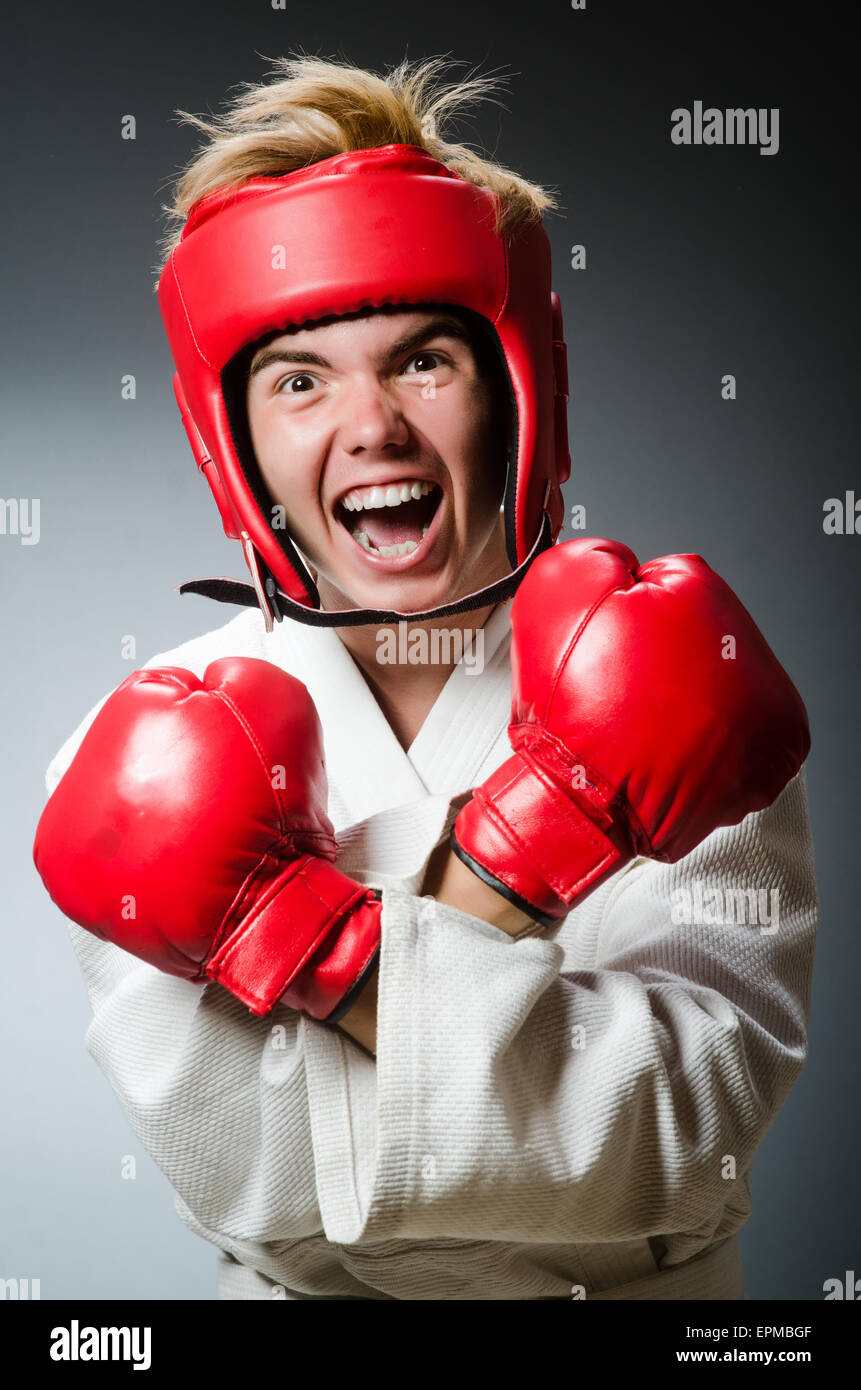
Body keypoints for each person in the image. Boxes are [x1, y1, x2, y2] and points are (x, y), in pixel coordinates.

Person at [33, 53, 818, 1301]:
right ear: (235, 443)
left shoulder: (673, 677)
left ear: (516, 390)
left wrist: (292, 946)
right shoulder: (135, 749)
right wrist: (530, 870)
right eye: (300, 380)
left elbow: (685, 1134)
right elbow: (252, 1183)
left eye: (421, 362)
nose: (373, 427)